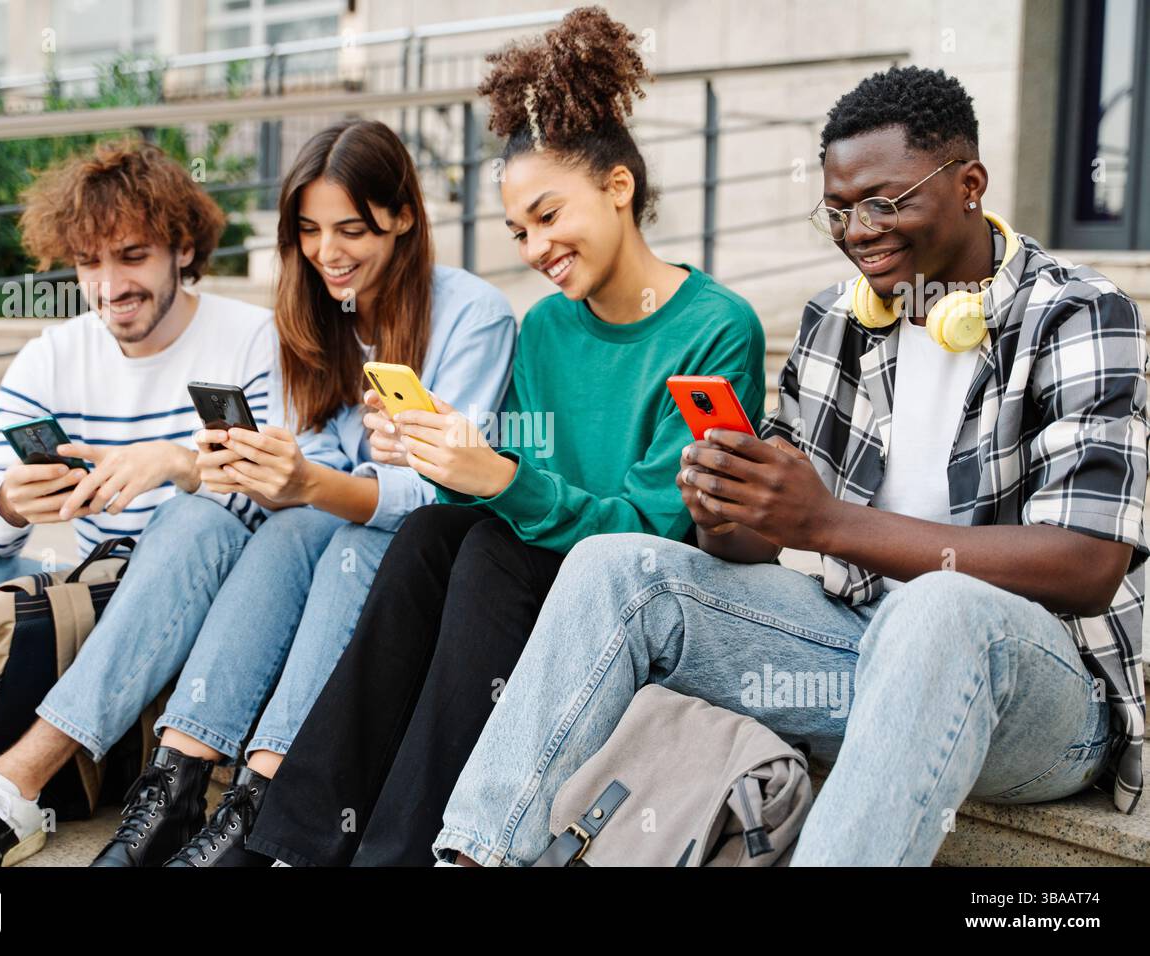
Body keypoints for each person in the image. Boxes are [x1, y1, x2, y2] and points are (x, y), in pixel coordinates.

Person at [432, 65, 1148, 867]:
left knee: (941, 606)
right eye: (838, 211)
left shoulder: (1081, 311)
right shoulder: (837, 318)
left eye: (884, 201)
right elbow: (751, 552)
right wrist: (728, 505)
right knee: (616, 567)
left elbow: (1087, 563)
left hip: (1049, 701)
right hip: (856, 653)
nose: (859, 230)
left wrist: (828, 522)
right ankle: (476, 854)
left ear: (970, 183)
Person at [244, 6, 767, 867]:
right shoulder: (550, 328)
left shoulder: (717, 328)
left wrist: (495, 478)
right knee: (428, 532)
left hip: (642, 592)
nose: (535, 246)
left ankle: (397, 853)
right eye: (519, 230)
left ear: (619, 189)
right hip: (537, 575)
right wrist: (435, 452)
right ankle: (296, 847)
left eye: (548, 214)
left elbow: (650, 534)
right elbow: (517, 466)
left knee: (485, 548)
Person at [83, 119, 516, 867]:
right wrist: (253, 468)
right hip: (324, 535)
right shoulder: (311, 311)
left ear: (404, 216)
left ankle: (262, 801)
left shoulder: (475, 315)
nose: (327, 253)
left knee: (345, 535)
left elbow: (444, 497)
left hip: (432, 558)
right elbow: (310, 457)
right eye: (309, 231)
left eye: (351, 229)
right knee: (276, 525)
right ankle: (175, 786)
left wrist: (318, 482)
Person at [0, 140, 277, 865]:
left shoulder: (249, 339)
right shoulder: (51, 357)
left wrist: (180, 466)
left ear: (182, 247)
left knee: (195, 518)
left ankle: (9, 789)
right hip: (89, 606)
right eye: (90, 262)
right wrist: (11, 506)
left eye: (132, 255)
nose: (111, 285)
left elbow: (277, 513)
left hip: (202, 623)